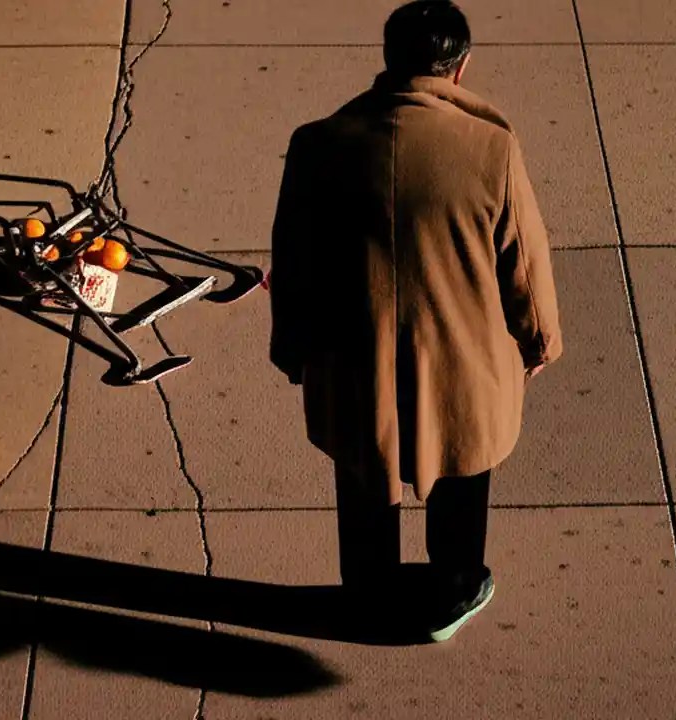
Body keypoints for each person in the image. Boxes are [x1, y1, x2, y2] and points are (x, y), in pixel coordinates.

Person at [268, 0, 562, 642]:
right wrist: (539, 343)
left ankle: (369, 592)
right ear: (460, 69)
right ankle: (451, 592)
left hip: (351, 358)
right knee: (463, 469)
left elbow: (292, 260)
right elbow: (524, 264)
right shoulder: (492, 149)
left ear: (387, 59)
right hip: (464, 360)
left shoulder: (317, 145)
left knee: (362, 475)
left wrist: (292, 347)